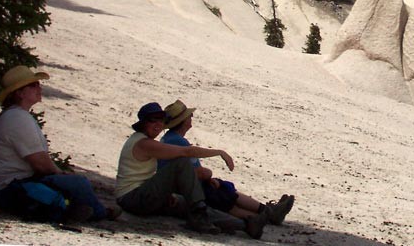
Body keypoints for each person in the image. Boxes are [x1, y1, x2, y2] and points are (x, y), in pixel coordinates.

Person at [0, 65, 118, 223]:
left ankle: (81, 210)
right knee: (77, 184)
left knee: (69, 187)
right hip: (10, 188)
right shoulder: (17, 118)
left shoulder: (18, 116)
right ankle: (99, 213)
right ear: (20, 93)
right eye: (33, 85)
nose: (39, 87)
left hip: (15, 185)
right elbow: (40, 163)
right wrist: (59, 174)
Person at [115, 102, 266, 239]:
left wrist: (163, 193)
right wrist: (220, 152)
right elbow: (186, 153)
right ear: (143, 124)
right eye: (152, 120)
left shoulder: (147, 140)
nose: (157, 124)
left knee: (192, 207)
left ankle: (245, 225)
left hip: (141, 194)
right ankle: (257, 215)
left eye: (160, 120)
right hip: (132, 197)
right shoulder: (144, 143)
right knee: (182, 166)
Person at [159, 99, 294, 224]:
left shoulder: (170, 138)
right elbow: (197, 172)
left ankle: (266, 213)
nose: (191, 118)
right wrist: (209, 174)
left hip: (181, 186)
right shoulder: (178, 141)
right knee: (223, 195)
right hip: (187, 190)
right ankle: (265, 215)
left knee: (224, 192)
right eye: (189, 116)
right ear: (183, 121)